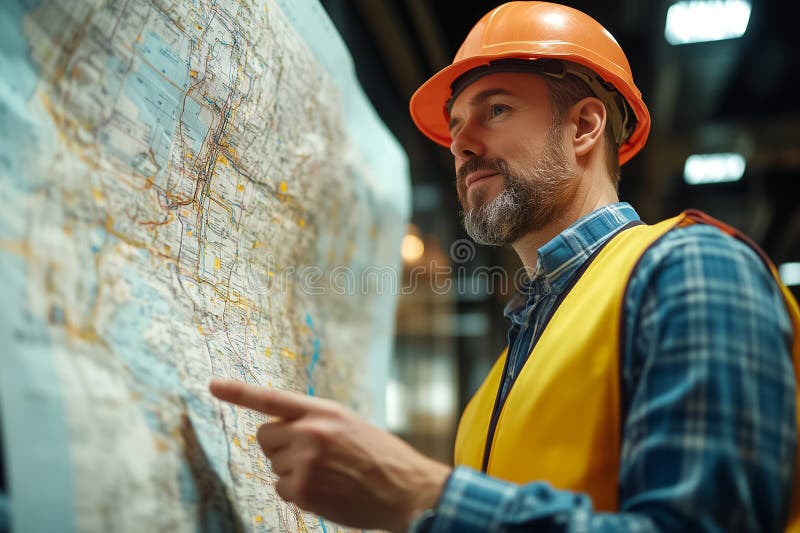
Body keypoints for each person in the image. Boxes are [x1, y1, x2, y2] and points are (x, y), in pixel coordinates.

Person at [211, 2, 800, 531]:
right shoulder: (499, 381)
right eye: (457, 125)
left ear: (585, 126)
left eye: (495, 109)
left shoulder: (691, 269)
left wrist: (422, 493)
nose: (462, 144)